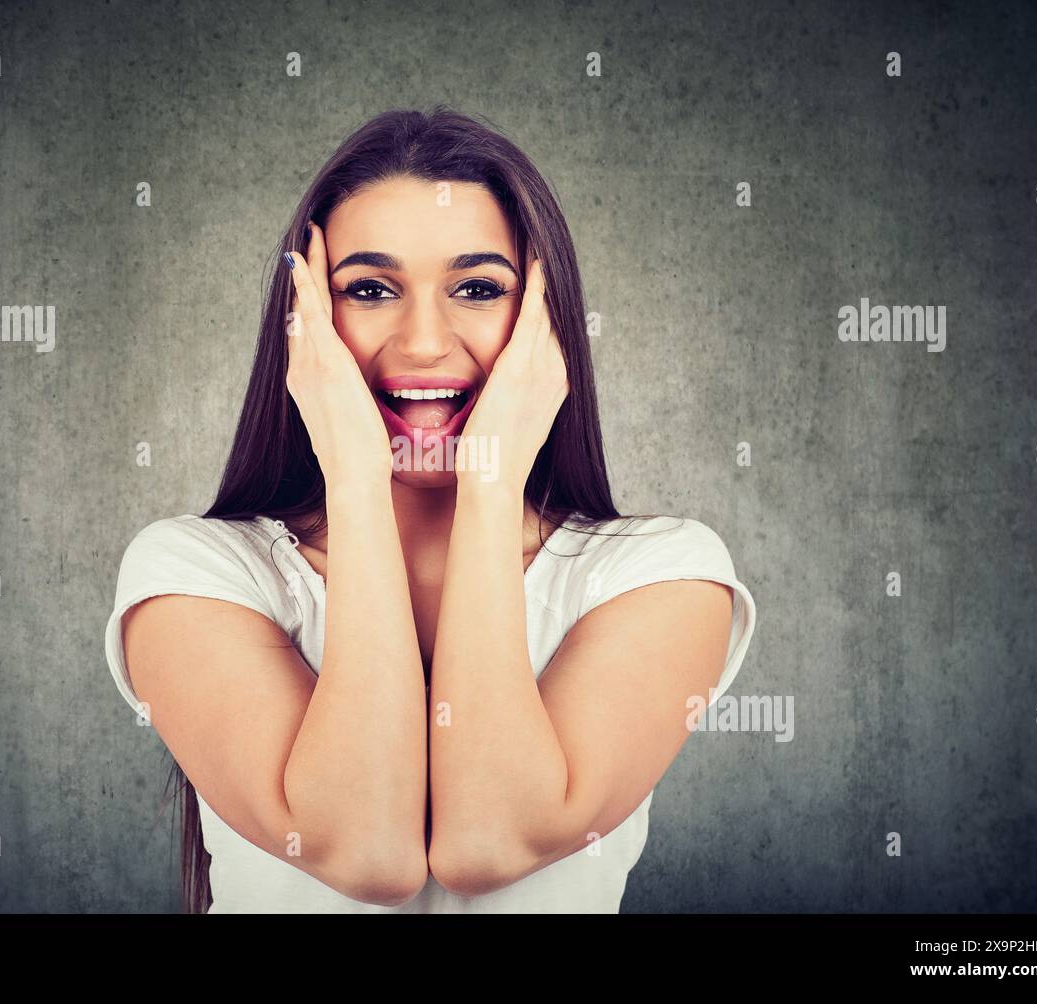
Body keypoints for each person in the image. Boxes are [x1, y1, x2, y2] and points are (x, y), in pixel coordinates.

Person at [103, 107, 757, 913]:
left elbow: (488, 842)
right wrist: (353, 477)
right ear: (307, 319)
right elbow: (367, 853)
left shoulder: (659, 577)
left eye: (477, 288)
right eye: (369, 290)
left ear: (544, 324)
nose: (421, 342)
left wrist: (488, 484)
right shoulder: (193, 574)